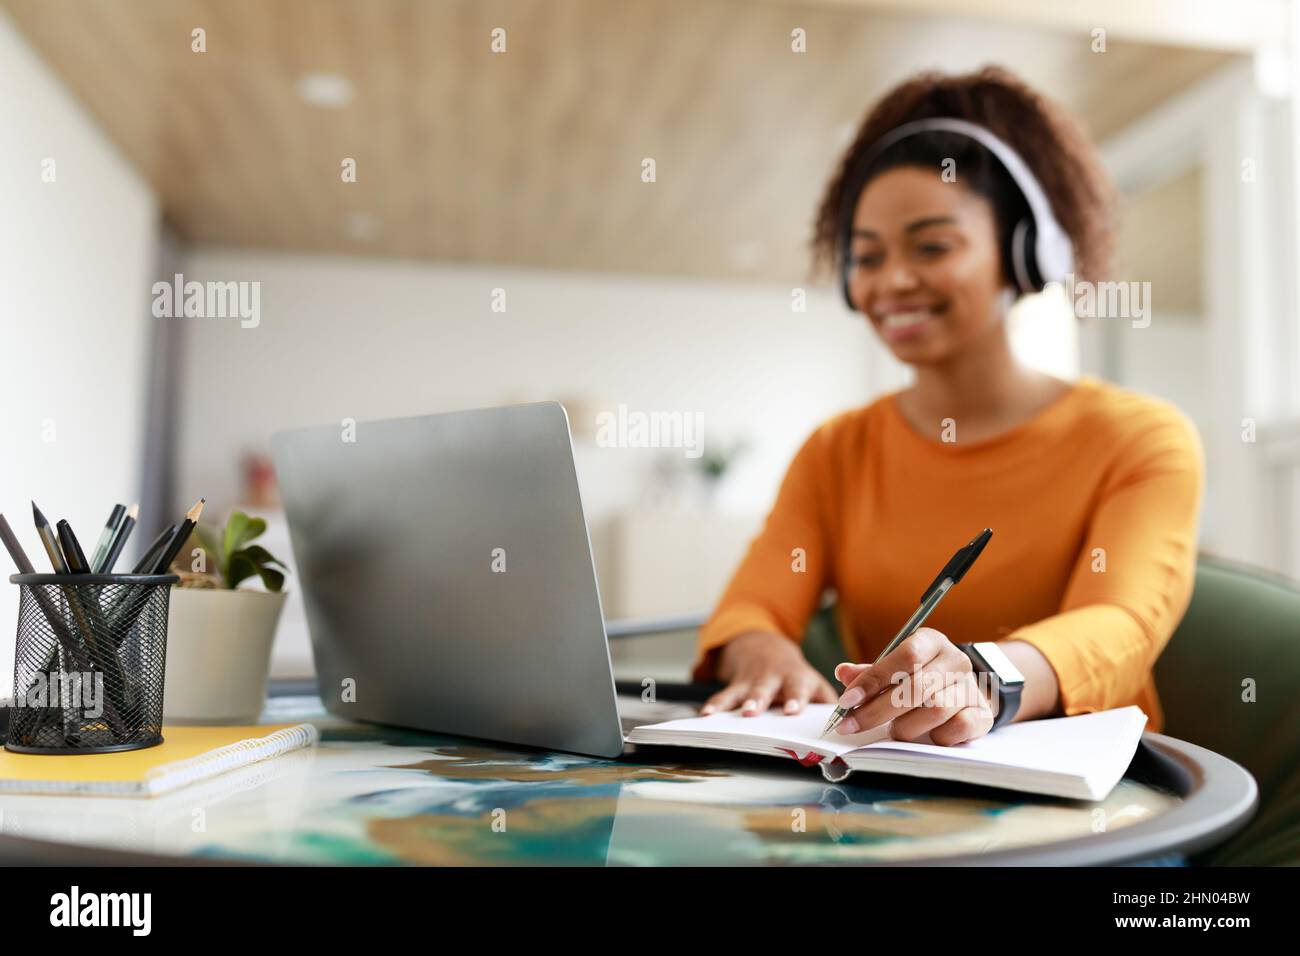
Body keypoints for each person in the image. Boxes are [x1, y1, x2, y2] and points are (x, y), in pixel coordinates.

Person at [692, 66, 1204, 747]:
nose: (892, 281)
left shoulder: (1142, 439)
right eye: (867, 256)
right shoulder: (837, 449)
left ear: (1025, 254)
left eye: (932, 246)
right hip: (895, 793)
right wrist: (764, 656)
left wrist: (984, 678)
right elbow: (753, 604)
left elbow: (1121, 624)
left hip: (1097, 804)